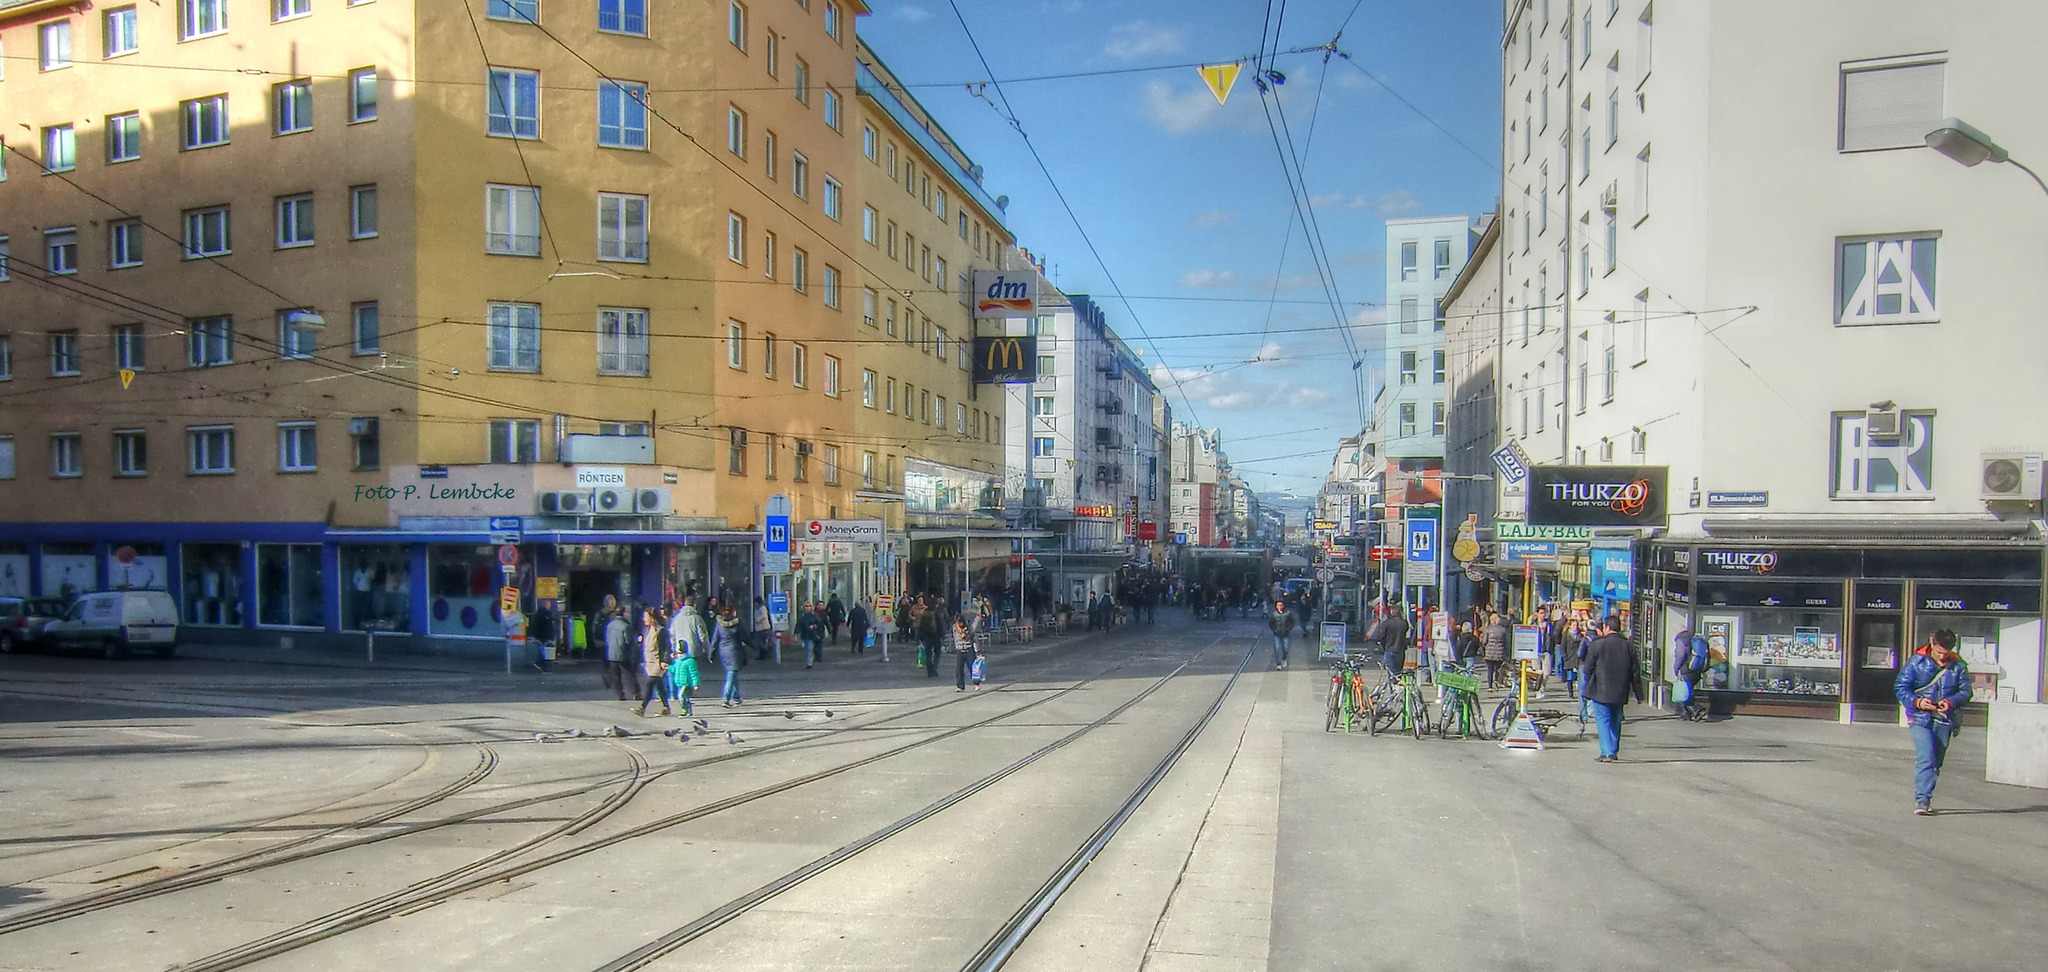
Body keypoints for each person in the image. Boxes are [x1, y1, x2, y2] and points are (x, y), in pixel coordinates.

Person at [1895, 629, 1974, 815]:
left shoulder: (1958, 666)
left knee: (1936, 761)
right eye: (1938, 652)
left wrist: (1951, 701)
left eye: (1945, 653)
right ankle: (1922, 799)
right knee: (1926, 756)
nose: (1941, 657)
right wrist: (1918, 701)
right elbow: (1901, 687)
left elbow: (1966, 692)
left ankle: (1926, 796)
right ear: (1932, 644)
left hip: (1944, 719)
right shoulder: (1917, 662)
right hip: (1920, 717)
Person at [1581, 616, 1644, 762]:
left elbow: (1587, 668)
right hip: (1620, 690)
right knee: (1616, 720)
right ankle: (1614, 750)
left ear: (1607, 628)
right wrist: (1639, 694)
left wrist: (1589, 682)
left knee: (1603, 720)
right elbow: (1635, 672)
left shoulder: (1597, 645)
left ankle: (1606, 751)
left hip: (1600, 690)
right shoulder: (1628, 646)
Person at [636, 606, 674, 717]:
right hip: (649, 662)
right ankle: (666, 706)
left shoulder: (661, 631)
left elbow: (666, 647)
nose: (644, 619)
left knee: (650, 683)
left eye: (646, 617)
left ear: (652, 618)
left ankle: (642, 707)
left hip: (658, 662)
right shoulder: (647, 630)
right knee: (659, 684)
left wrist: (664, 660)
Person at [1672, 627, 1711, 721]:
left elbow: (1680, 655)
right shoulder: (1694, 638)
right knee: (1687, 691)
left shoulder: (1682, 639)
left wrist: (1676, 668)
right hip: (1696, 669)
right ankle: (1686, 714)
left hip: (1686, 669)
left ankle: (1698, 710)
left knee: (1685, 693)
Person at [714, 602, 745, 706]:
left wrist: (711, 653)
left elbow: (715, 639)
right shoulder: (737, 623)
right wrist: (755, 646)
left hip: (723, 652)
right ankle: (726, 697)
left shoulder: (719, 624)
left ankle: (736, 697)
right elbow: (745, 636)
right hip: (735, 651)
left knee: (733, 672)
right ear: (733, 612)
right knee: (732, 673)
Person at [602, 607, 635, 701]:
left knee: (616, 675)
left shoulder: (610, 625)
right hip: (623, 653)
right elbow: (628, 640)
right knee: (628, 673)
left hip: (611, 653)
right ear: (624, 613)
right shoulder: (626, 626)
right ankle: (634, 692)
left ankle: (620, 694)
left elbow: (607, 639)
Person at [1377, 606, 1412, 675]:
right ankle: (1398, 684)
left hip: (1389, 649)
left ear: (1391, 612)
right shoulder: (1404, 623)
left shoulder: (1386, 623)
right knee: (1398, 672)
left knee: (1391, 673)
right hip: (1400, 650)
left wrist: (1383, 647)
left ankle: (1393, 684)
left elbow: (1381, 637)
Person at [1481, 612, 1511, 689]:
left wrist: (1484, 647)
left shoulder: (1488, 629)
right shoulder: (1503, 630)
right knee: (1497, 669)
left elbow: (1484, 641)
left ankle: (1490, 686)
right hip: (1499, 653)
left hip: (1489, 654)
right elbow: (1506, 642)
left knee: (1490, 670)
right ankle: (1496, 681)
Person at [528, 602, 557, 674]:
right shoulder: (547, 614)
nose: (550, 606)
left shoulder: (537, 614)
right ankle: (545, 667)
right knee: (548, 652)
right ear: (547, 605)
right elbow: (548, 627)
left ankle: (540, 663)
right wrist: (551, 636)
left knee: (542, 650)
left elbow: (535, 625)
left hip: (538, 635)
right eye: (549, 604)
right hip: (545, 636)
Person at [796, 603, 826, 669]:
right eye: (806, 606)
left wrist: (814, 626)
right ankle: (809, 660)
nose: (807, 607)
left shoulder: (814, 615)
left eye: (809, 606)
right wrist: (796, 632)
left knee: (810, 648)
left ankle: (809, 663)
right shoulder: (802, 616)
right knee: (806, 647)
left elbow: (819, 623)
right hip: (804, 634)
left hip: (812, 634)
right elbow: (799, 625)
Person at [1267, 600, 1295, 670]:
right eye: (1278, 605)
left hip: (1285, 633)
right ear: (1276, 606)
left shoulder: (1288, 613)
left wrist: (1288, 628)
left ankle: (1284, 659)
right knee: (1277, 648)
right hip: (1277, 634)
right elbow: (1271, 623)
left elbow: (1292, 621)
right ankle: (1278, 663)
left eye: (1281, 605)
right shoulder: (1274, 614)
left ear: (1283, 606)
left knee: (1286, 649)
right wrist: (1274, 629)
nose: (1280, 607)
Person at [954, 617, 978, 692]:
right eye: (958, 623)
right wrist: (956, 646)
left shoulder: (969, 628)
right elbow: (955, 637)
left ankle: (976, 683)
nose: (959, 625)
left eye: (960, 623)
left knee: (972, 668)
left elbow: (974, 639)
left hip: (969, 649)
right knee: (959, 669)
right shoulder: (955, 627)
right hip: (960, 649)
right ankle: (960, 686)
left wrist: (977, 651)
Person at [752, 596, 773, 660]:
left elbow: (764, 616)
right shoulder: (756, 609)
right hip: (759, 628)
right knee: (759, 642)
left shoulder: (762, 608)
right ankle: (762, 655)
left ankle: (766, 653)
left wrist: (758, 620)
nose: (754, 604)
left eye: (755, 603)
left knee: (761, 642)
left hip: (764, 628)